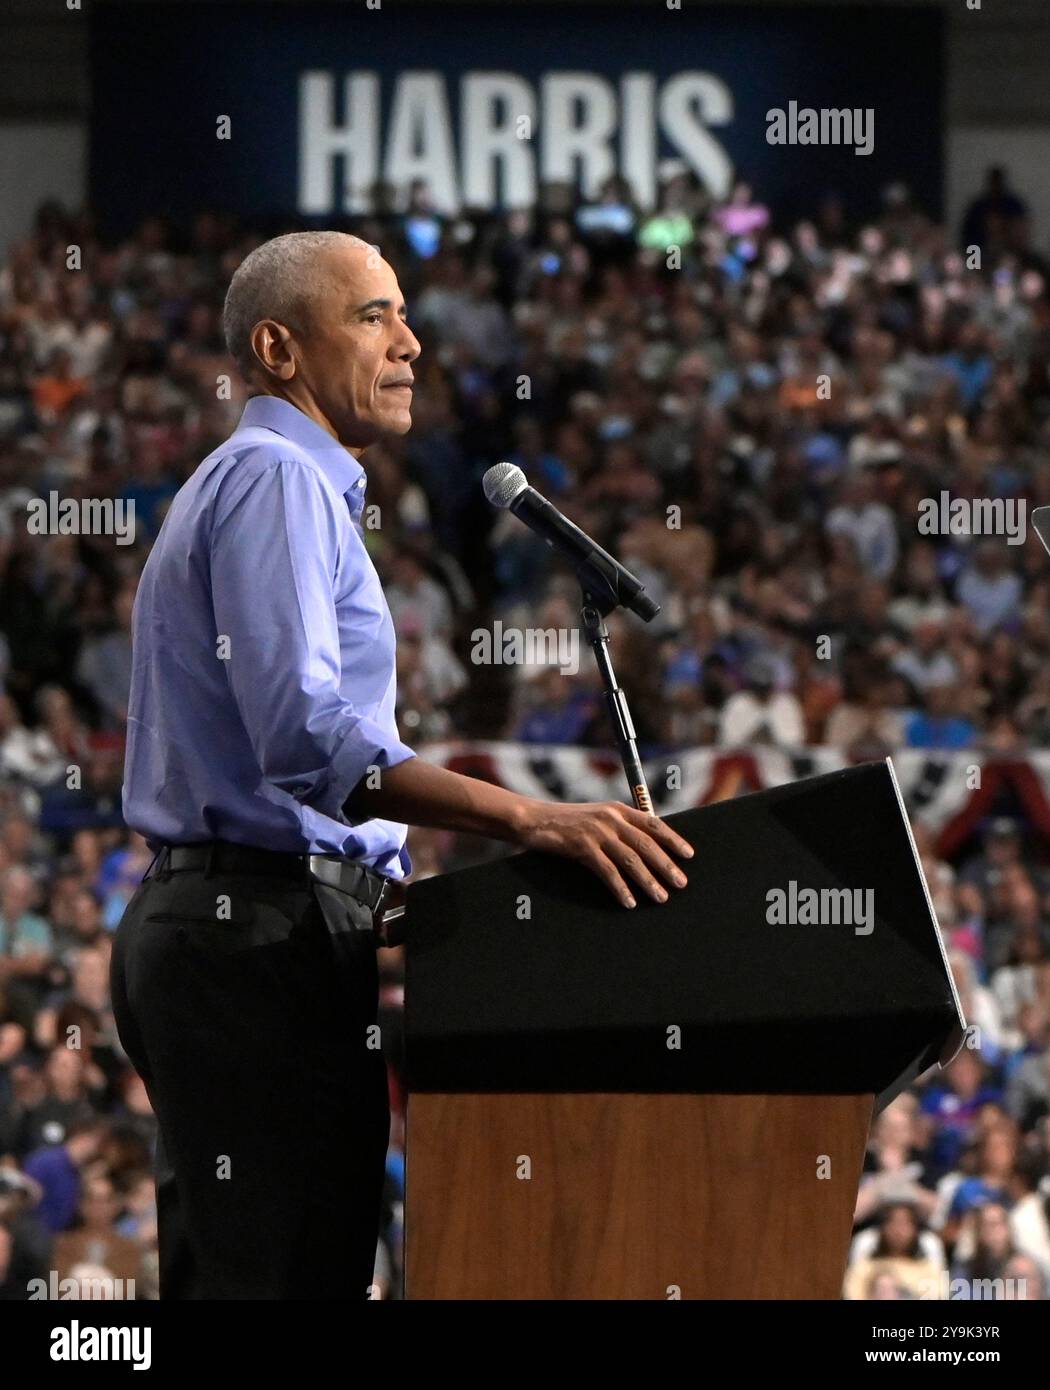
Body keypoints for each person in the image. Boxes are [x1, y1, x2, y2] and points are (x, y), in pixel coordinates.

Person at [112, 230, 693, 1301]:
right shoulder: (274, 479)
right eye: (374, 315)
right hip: (252, 939)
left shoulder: (276, 485)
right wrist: (532, 820)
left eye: (406, 314)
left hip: (254, 929)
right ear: (280, 347)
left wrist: (370, 884)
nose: (412, 343)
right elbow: (307, 739)